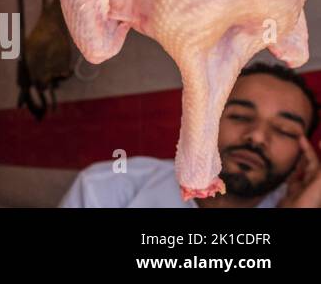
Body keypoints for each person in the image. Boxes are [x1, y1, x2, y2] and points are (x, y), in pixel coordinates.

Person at [59, 62, 320, 208]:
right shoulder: (106, 190)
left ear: (302, 158)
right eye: (240, 116)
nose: (257, 137)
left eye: (285, 130)